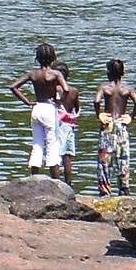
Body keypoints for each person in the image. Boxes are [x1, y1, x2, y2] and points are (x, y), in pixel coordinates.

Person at [9, 44, 71, 176]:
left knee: (37, 145)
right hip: (49, 108)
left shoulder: (33, 74)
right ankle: (55, 182)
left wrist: (27, 102)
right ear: (53, 58)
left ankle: (34, 178)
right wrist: (59, 101)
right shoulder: (55, 74)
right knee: (52, 144)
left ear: (37, 58)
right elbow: (66, 89)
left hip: (36, 108)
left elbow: (13, 87)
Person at [93, 59, 136, 196]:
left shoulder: (104, 88)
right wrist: (131, 116)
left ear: (108, 72)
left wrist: (99, 115)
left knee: (104, 159)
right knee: (123, 158)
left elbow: (96, 101)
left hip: (108, 125)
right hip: (121, 125)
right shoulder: (127, 89)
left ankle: (104, 192)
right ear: (123, 72)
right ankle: (124, 190)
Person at [52, 60, 80, 188]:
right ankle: (69, 184)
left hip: (56, 124)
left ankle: (56, 184)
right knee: (67, 157)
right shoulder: (73, 91)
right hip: (69, 126)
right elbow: (77, 108)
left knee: (55, 155)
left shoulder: (53, 90)